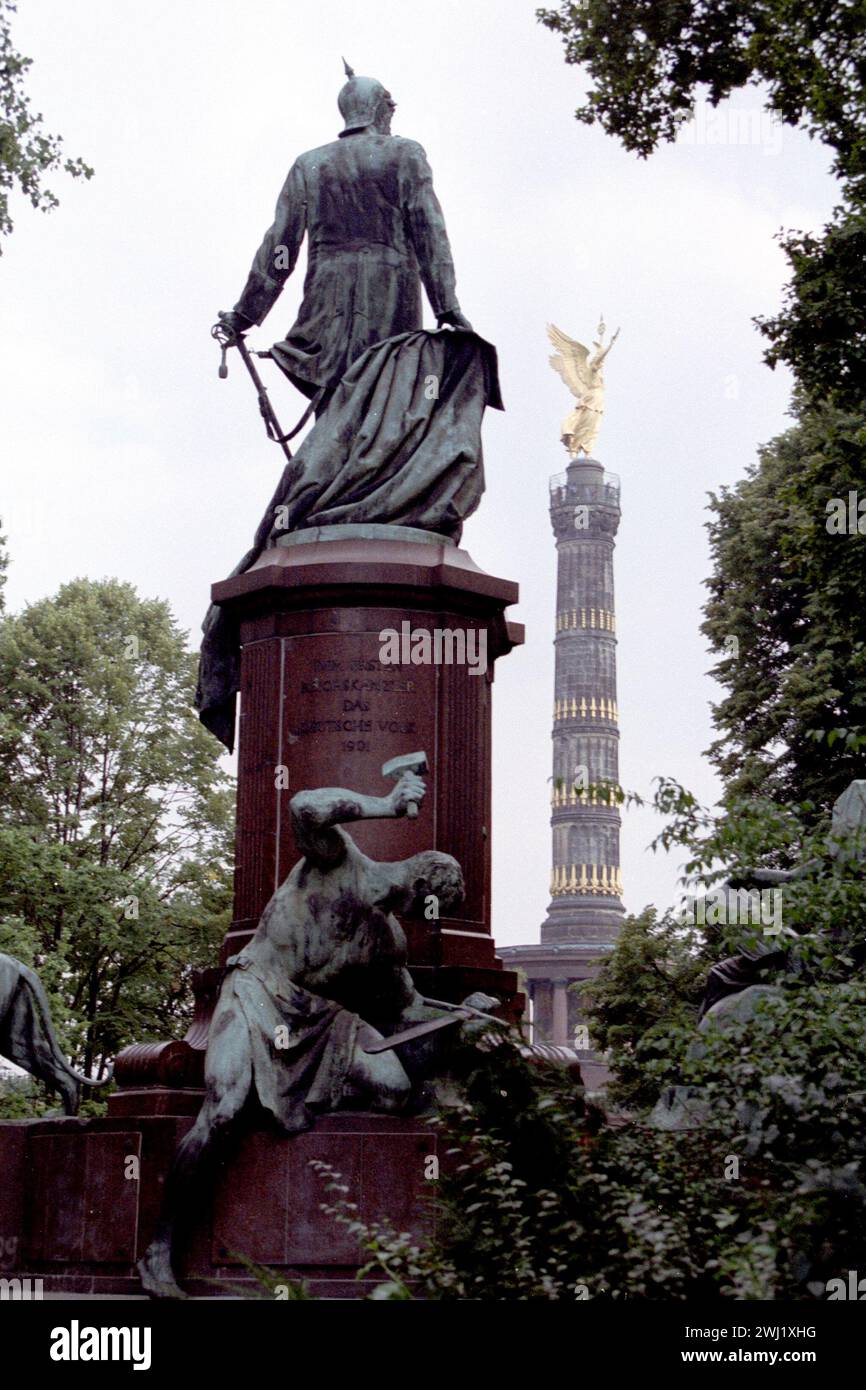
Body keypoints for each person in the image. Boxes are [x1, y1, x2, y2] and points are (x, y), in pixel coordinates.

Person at [138, 768, 467, 1299]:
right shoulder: (341, 860)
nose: (426, 919)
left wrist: (464, 1013)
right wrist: (384, 803)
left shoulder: (389, 944)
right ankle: (160, 1248)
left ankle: (317, 1185)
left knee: (395, 1087)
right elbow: (305, 806)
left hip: (318, 1018)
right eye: (429, 906)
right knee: (223, 1109)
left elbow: (411, 1007)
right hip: (256, 991)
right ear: (417, 882)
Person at [219, 62, 472, 410]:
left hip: (327, 298)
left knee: (335, 402)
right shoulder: (405, 154)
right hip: (392, 293)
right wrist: (446, 305)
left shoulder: (310, 164)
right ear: (374, 107)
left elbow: (281, 248)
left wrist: (246, 313)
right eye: (388, 101)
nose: (393, 108)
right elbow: (429, 233)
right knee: (387, 400)